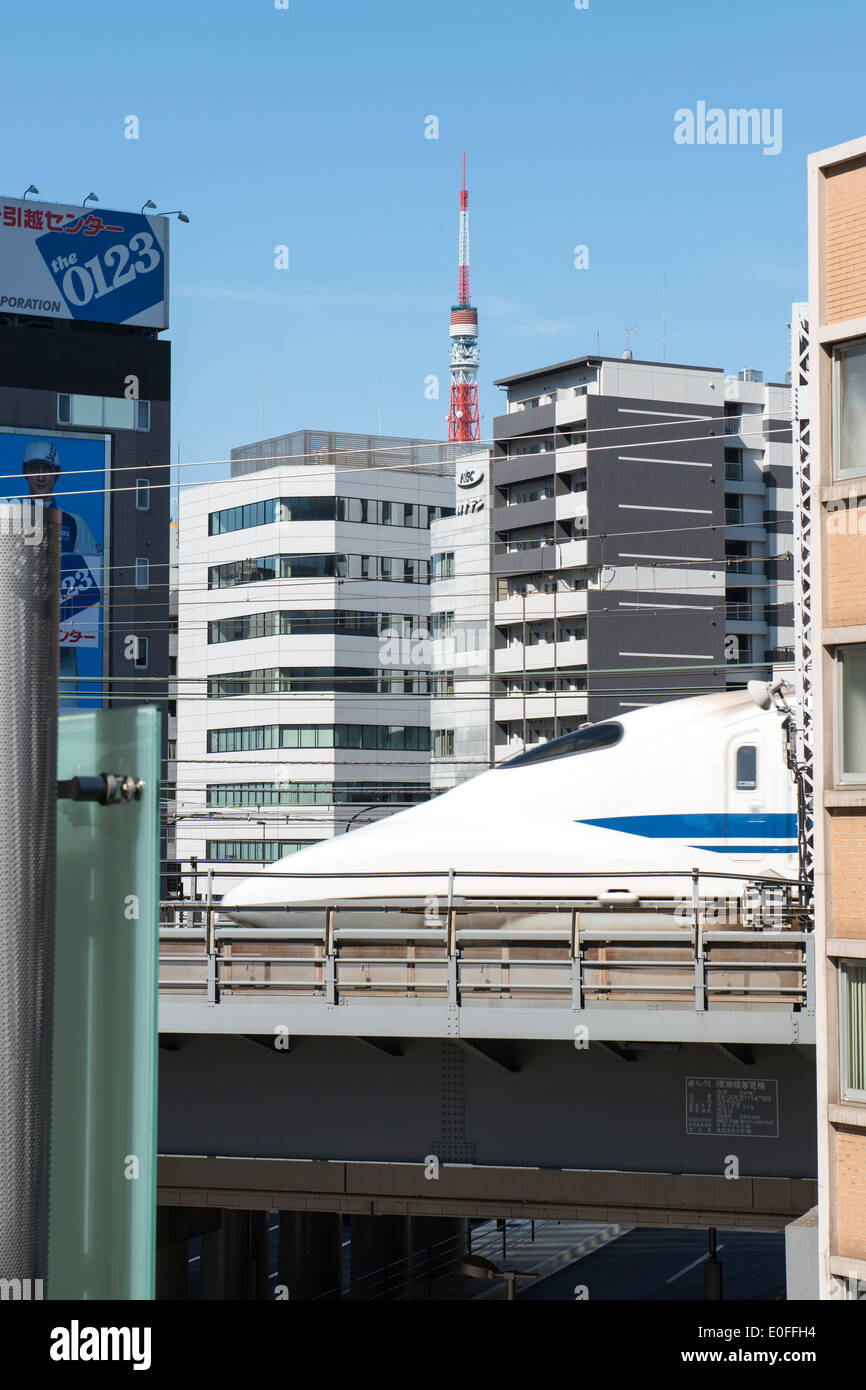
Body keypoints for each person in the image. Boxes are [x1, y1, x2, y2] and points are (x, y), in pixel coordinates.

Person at [21, 439, 103, 705]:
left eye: (47, 468)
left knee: (63, 722)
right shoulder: (7, 518)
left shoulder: (75, 523)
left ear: (57, 474)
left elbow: (91, 587)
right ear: (25, 472)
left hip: (61, 652)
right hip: (14, 644)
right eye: (35, 468)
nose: (41, 476)